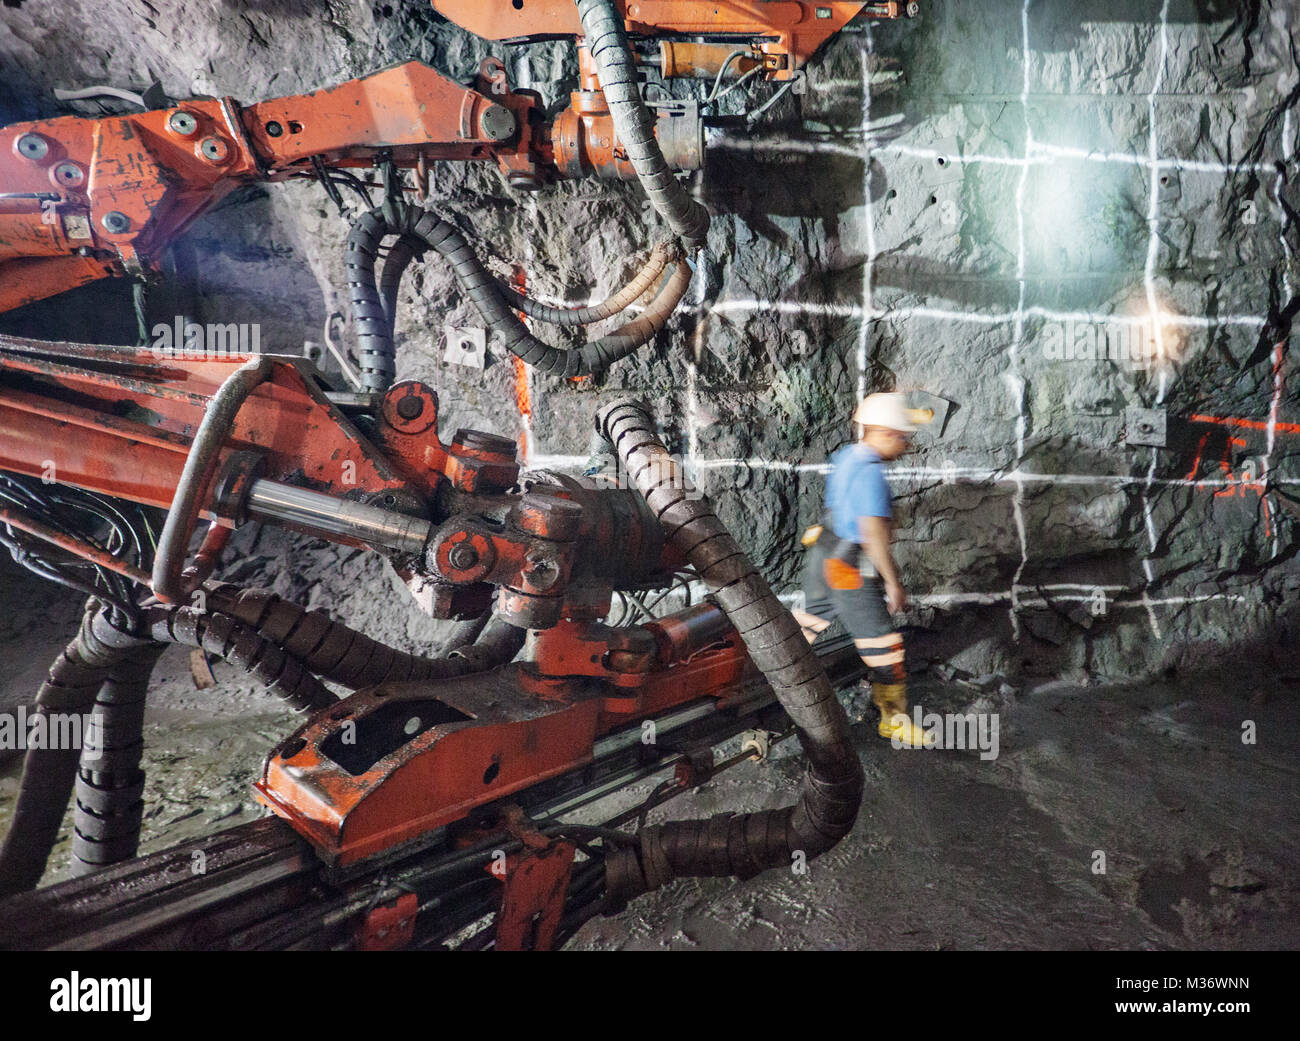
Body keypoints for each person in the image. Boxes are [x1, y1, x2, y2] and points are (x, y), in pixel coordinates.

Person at [793, 392, 933, 748]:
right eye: (903, 436)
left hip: (822, 556)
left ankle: (761, 690)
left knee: (799, 635)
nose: (906, 444)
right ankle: (894, 722)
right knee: (884, 645)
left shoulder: (846, 456)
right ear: (885, 432)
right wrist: (894, 585)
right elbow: (872, 536)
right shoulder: (871, 474)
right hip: (848, 570)